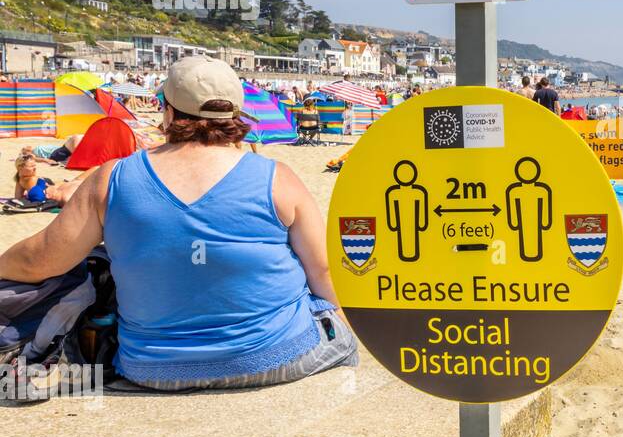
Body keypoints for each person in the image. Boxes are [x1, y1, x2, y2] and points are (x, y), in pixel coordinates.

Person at [0, 56, 359, 391]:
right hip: (278, 356)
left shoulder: (113, 179)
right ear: (236, 115)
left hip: (152, 368)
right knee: (340, 335)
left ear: (168, 112)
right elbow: (323, 271)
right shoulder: (277, 177)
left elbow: (41, 260)